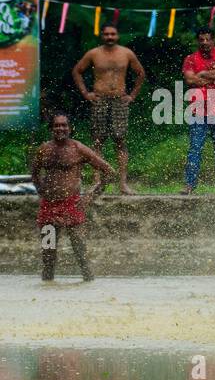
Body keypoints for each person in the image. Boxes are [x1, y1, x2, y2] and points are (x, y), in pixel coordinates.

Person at [30, 114, 113, 282]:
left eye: (64, 125)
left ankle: (89, 288)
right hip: (48, 209)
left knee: (80, 251)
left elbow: (109, 171)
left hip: (72, 206)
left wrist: (90, 196)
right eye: (57, 125)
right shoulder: (44, 149)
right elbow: (34, 172)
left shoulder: (78, 148)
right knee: (48, 254)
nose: (60, 128)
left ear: (69, 128)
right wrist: (41, 190)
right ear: (52, 128)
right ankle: (47, 293)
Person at [71, 25, 146, 194]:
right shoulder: (93, 53)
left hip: (120, 100)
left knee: (120, 141)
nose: (110, 37)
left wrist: (132, 96)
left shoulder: (126, 53)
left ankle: (123, 184)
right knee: (98, 141)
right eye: (106, 34)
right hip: (99, 99)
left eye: (112, 34)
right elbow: (77, 71)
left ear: (117, 35)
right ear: (102, 36)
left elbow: (141, 73)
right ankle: (97, 182)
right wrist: (85, 93)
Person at [180, 29, 215, 195]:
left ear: (213, 40)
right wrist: (214, 76)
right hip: (198, 110)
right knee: (195, 148)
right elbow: (190, 79)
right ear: (198, 42)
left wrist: (203, 73)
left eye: (207, 39)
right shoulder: (190, 59)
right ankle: (189, 185)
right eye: (201, 40)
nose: (204, 42)